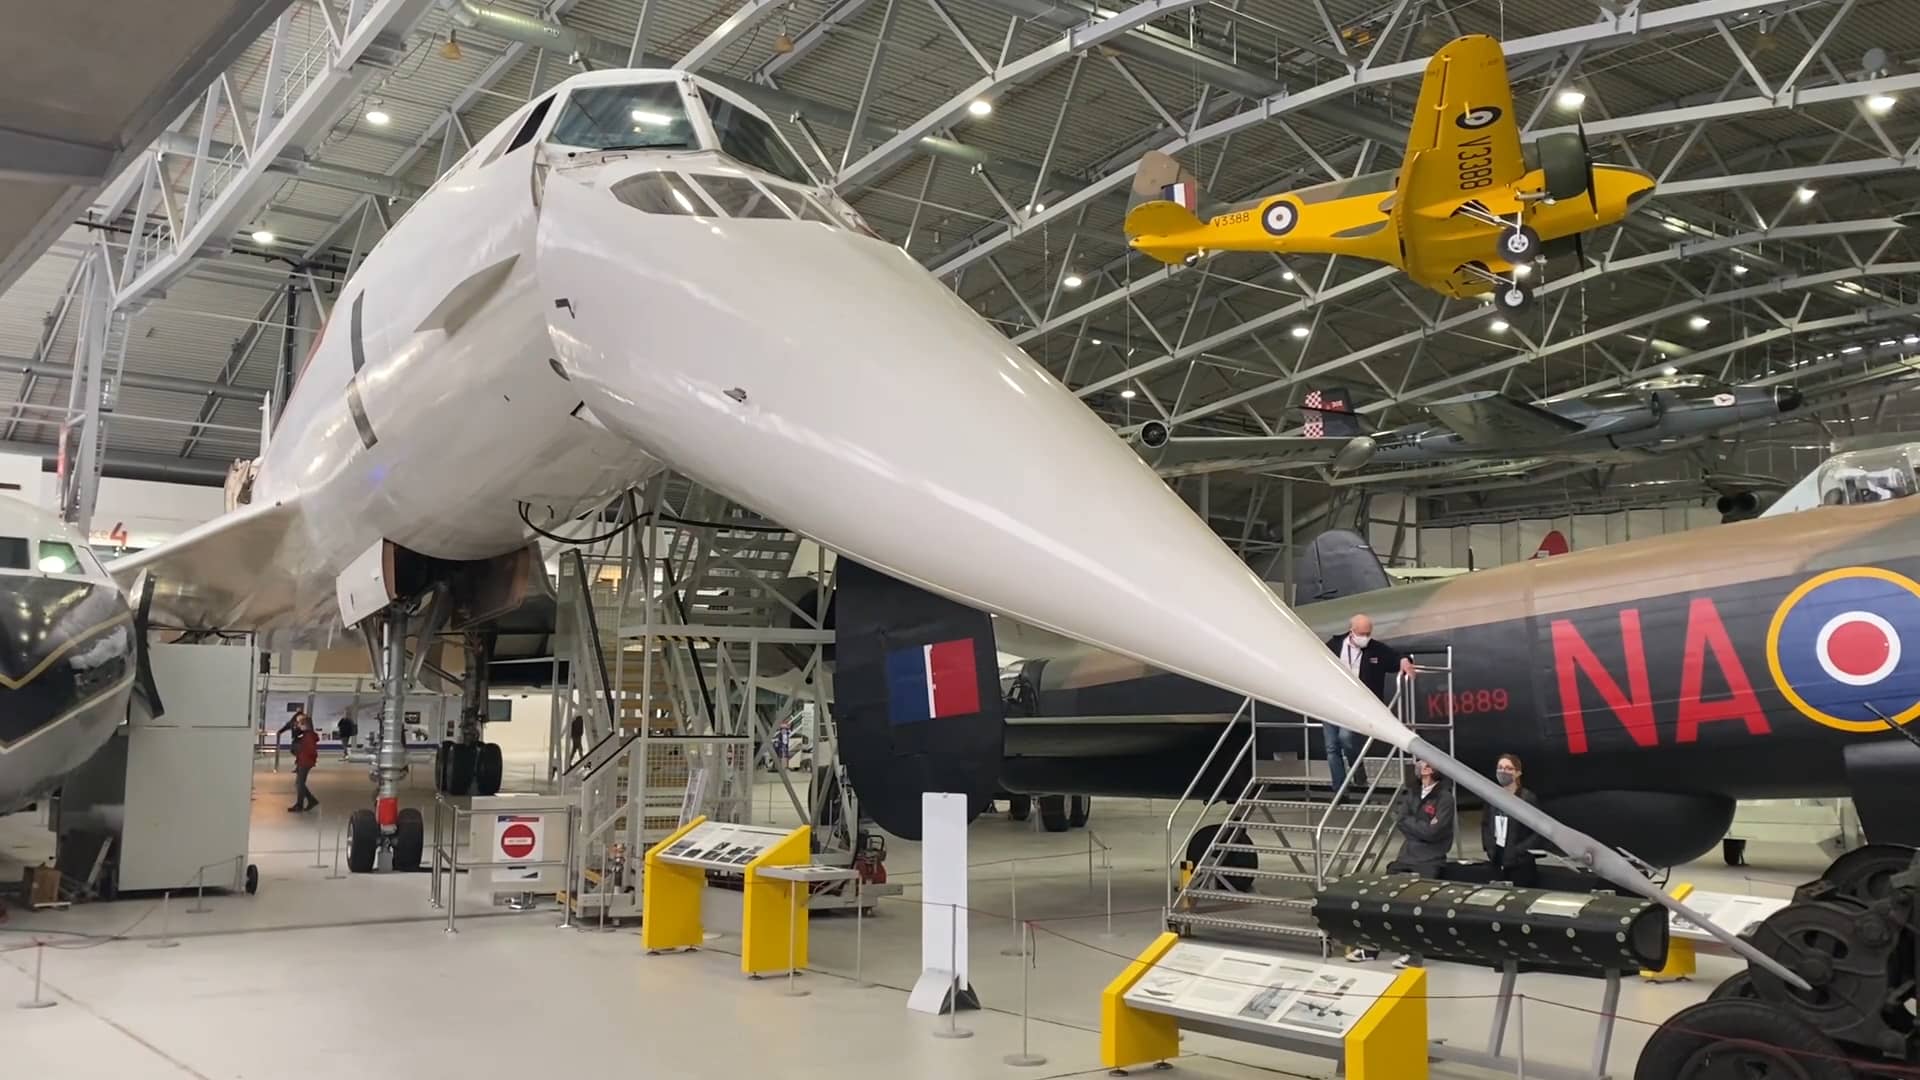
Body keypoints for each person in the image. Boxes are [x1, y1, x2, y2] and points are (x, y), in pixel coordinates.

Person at [1349, 759, 1454, 966]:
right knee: (1379, 896)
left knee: (1415, 903)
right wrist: (1419, 826)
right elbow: (1400, 819)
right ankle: (1371, 947)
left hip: (1430, 859)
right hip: (1406, 856)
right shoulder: (1412, 794)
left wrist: (1413, 825)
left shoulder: (1445, 798)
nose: (1422, 765)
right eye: (1420, 762)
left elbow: (1433, 832)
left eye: (1427, 763)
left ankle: (1413, 953)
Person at [1323, 614, 1417, 796]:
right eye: (1362, 633)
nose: (1365, 637)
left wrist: (1405, 661)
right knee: (1332, 747)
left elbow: (1396, 657)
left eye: (1368, 633)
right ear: (1352, 631)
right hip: (1331, 700)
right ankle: (1340, 790)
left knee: (1346, 738)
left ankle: (1357, 769)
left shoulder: (1375, 649)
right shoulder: (1334, 645)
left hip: (1357, 704)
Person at [1481, 752, 1541, 887]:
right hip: (1497, 859)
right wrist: (1490, 848)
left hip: (1520, 864)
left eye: (1508, 768)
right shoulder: (1492, 797)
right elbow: (1485, 824)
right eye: (1500, 768)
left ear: (1518, 772)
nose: (1503, 771)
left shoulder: (1527, 799)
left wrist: (1518, 851)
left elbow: (1537, 833)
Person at [289, 714, 320, 813]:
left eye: (300, 724)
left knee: (300, 783)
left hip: (305, 761)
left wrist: (300, 750)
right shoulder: (306, 735)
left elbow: (311, 751)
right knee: (299, 783)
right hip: (303, 760)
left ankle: (300, 804)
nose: (298, 726)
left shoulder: (308, 736)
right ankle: (310, 801)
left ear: (305, 725)